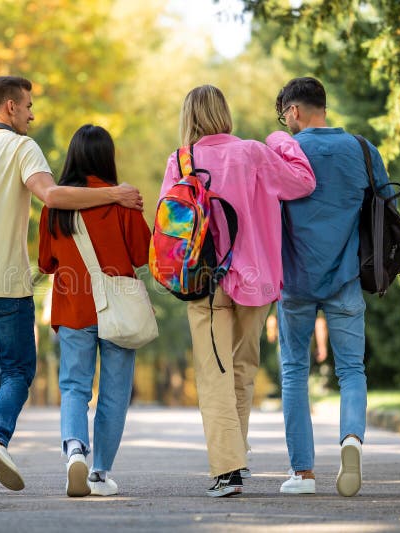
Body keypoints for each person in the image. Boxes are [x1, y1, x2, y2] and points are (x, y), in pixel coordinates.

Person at [0, 76, 143, 495]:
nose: (32, 114)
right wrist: (114, 194)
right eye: (28, 105)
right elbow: (53, 197)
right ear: (9, 107)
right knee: (18, 370)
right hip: (6, 283)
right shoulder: (22, 148)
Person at [158, 85, 315, 497]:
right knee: (243, 368)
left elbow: (167, 225)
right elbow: (302, 183)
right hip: (256, 277)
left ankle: (227, 470)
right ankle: (236, 462)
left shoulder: (181, 160)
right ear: (223, 113)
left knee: (214, 374)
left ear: (189, 117)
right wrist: (282, 139)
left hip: (202, 279)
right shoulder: (254, 151)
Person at [275, 76, 391, 497]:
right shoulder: (362, 150)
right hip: (345, 279)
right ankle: (351, 440)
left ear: (294, 111)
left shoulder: (286, 151)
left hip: (295, 282)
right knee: (351, 370)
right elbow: (385, 208)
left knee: (294, 371)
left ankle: (302, 474)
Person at [38, 124, 151, 497]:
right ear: (108, 157)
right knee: (115, 393)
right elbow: (141, 256)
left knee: (74, 386)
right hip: (117, 308)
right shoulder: (124, 201)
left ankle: (74, 449)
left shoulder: (55, 206)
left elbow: (45, 261)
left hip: (74, 307)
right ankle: (99, 474)